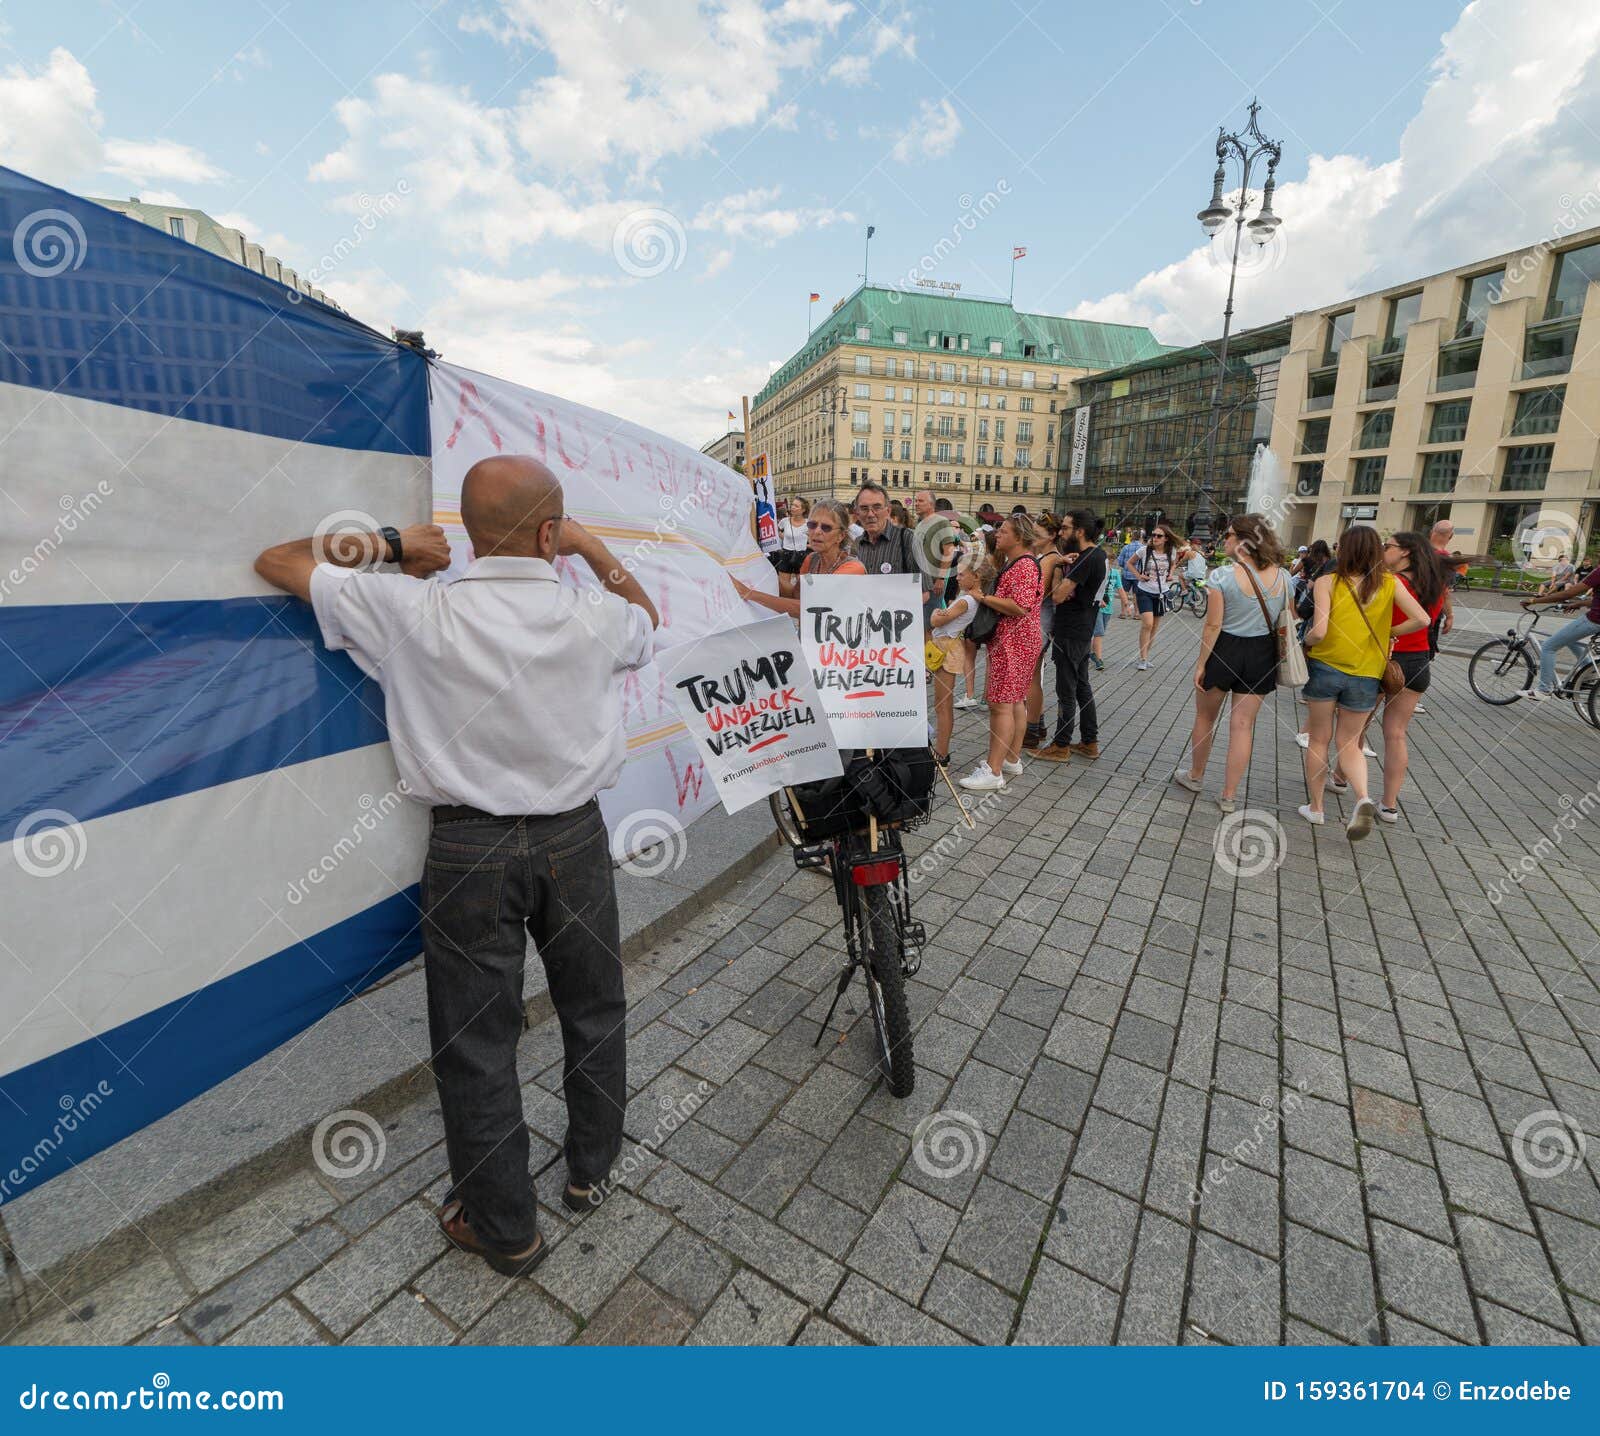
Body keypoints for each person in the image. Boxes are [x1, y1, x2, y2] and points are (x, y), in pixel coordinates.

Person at [254, 457, 658, 1278]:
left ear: (468, 531)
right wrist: (585, 547)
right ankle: (591, 1170)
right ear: (549, 532)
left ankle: (506, 1227)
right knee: (594, 1006)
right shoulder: (591, 613)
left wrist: (394, 544)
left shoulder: (412, 606)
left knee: (477, 1042)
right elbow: (648, 613)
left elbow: (279, 561)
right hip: (575, 838)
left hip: (469, 847)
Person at [1299, 525, 1430, 839]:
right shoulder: (1389, 583)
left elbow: (1318, 630)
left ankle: (1316, 808)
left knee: (1319, 739)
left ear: (1343, 549)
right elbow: (1423, 619)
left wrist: (1305, 642)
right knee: (1350, 742)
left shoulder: (1328, 581)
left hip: (1327, 666)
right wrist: (1389, 633)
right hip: (1367, 672)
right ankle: (1362, 797)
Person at [1172, 514, 1290, 812]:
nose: (1224, 539)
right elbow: (1287, 621)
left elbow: (1212, 626)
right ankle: (1229, 795)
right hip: (1262, 653)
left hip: (1225, 649)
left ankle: (1196, 775)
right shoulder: (1284, 577)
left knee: (1205, 718)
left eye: (1229, 535)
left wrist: (1201, 663)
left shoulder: (1222, 576)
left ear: (1244, 541)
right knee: (1242, 726)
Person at [961, 514, 1043, 792]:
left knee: (1001, 705)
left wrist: (982, 598)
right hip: (1019, 640)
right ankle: (1011, 758)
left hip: (1013, 642)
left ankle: (993, 770)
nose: (998, 535)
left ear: (1018, 537)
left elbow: (1019, 605)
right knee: (1016, 700)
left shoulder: (1024, 566)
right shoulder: (1020, 563)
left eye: (1004, 531)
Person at [1376, 532, 1446, 822]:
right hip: (1419, 661)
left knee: (1356, 726)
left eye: (1388, 546)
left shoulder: (1393, 582)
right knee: (1396, 734)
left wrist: (1390, 632)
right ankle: (1389, 804)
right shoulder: (1434, 584)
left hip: (1388, 660)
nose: (1383, 550)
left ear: (1405, 552)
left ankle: (1342, 778)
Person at [1037, 509, 1107, 763]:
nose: (1062, 532)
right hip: (1082, 629)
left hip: (1071, 631)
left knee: (1066, 690)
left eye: (1066, 528)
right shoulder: (1094, 555)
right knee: (1081, 687)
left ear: (1079, 531)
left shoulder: (1087, 558)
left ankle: (1061, 745)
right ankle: (1089, 741)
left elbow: (1056, 595)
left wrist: (1057, 567)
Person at [734, 497, 864, 618]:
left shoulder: (852, 568)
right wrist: (765, 571)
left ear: (841, 536)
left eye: (826, 527)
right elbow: (796, 595)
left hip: (835, 641)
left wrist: (750, 594)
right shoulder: (811, 560)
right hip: (808, 638)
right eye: (812, 525)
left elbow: (809, 608)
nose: (817, 531)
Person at [929, 563, 985, 764]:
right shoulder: (970, 598)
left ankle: (941, 754)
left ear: (976, 576)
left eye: (962, 574)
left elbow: (936, 621)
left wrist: (936, 611)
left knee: (942, 705)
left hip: (947, 650)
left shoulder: (967, 600)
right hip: (947, 648)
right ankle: (941, 751)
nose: (958, 578)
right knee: (942, 704)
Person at [1521, 557, 1600, 699]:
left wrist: (1534, 600)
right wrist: (1580, 604)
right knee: (1570, 638)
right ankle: (1589, 673)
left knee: (1548, 646)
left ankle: (1543, 690)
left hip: (1595, 620)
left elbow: (1568, 593)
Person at [1023, 514, 1065, 749]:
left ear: (1051, 535)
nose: (1034, 539)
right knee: (1034, 675)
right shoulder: (1046, 556)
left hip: (1041, 621)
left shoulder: (1050, 558)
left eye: (1038, 535)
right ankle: (1037, 724)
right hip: (1041, 620)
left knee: (1031, 677)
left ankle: (1030, 730)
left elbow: (1038, 594)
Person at [1131, 522, 1180, 669]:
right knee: (1148, 623)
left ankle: (1145, 656)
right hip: (1144, 591)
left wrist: (1171, 574)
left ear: (1166, 538)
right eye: (1153, 535)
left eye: (1159, 536)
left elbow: (1173, 564)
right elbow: (1129, 563)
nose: (1155, 538)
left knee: (1154, 627)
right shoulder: (1144, 550)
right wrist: (1138, 576)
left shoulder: (1171, 552)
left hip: (1161, 593)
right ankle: (1142, 658)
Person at [853, 481, 919, 575]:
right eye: (864, 508)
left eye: (877, 507)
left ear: (888, 511)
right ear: (857, 513)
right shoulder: (856, 544)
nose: (870, 514)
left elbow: (922, 584)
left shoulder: (908, 539)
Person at [1115, 530, 1142, 618]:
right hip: (1138, 575)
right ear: (1140, 537)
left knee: (1124, 593)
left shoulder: (1126, 547)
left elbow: (1120, 561)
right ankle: (1137, 613)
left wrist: (1125, 566)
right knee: (1136, 594)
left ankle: (1123, 612)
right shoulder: (1142, 548)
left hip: (1126, 574)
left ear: (1131, 537)